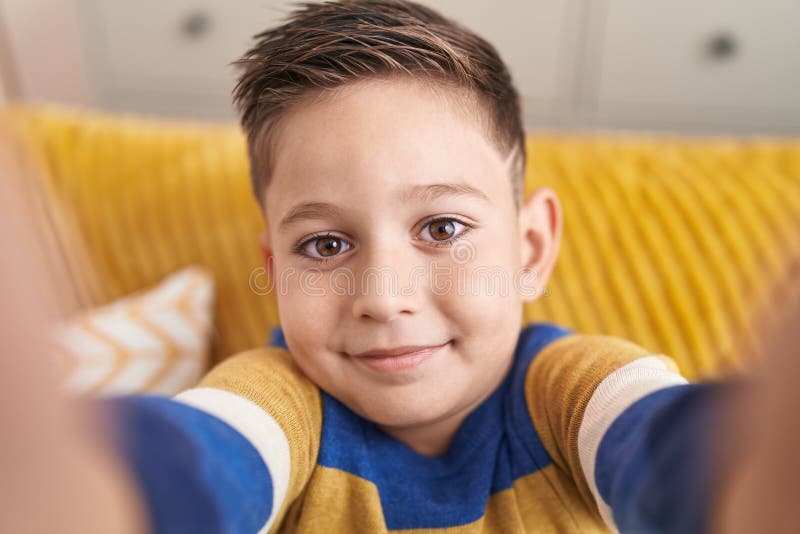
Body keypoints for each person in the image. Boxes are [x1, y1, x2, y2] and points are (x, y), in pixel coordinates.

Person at [0, 1, 795, 533]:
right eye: (325, 245)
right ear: (272, 271)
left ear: (528, 249)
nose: (383, 296)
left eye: (442, 226)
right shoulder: (278, 402)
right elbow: (194, 464)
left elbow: (679, 451)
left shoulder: (573, 388)